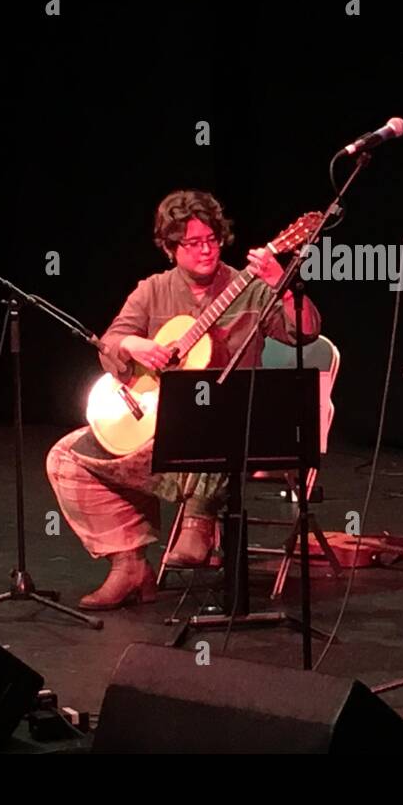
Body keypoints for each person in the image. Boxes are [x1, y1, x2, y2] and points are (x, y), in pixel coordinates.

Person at [45, 190, 320, 610]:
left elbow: (305, 332)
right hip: (160, 429)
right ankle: (129, 566)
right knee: (65, 458)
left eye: (211, 238)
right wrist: (135, 345)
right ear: (170, 248)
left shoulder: (246, 286)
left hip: (228, 427)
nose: (206, 249)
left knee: (211, 419)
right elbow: (110, 343)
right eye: (192, 243)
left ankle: (200, 520)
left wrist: (279, 284)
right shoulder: (152, 291)